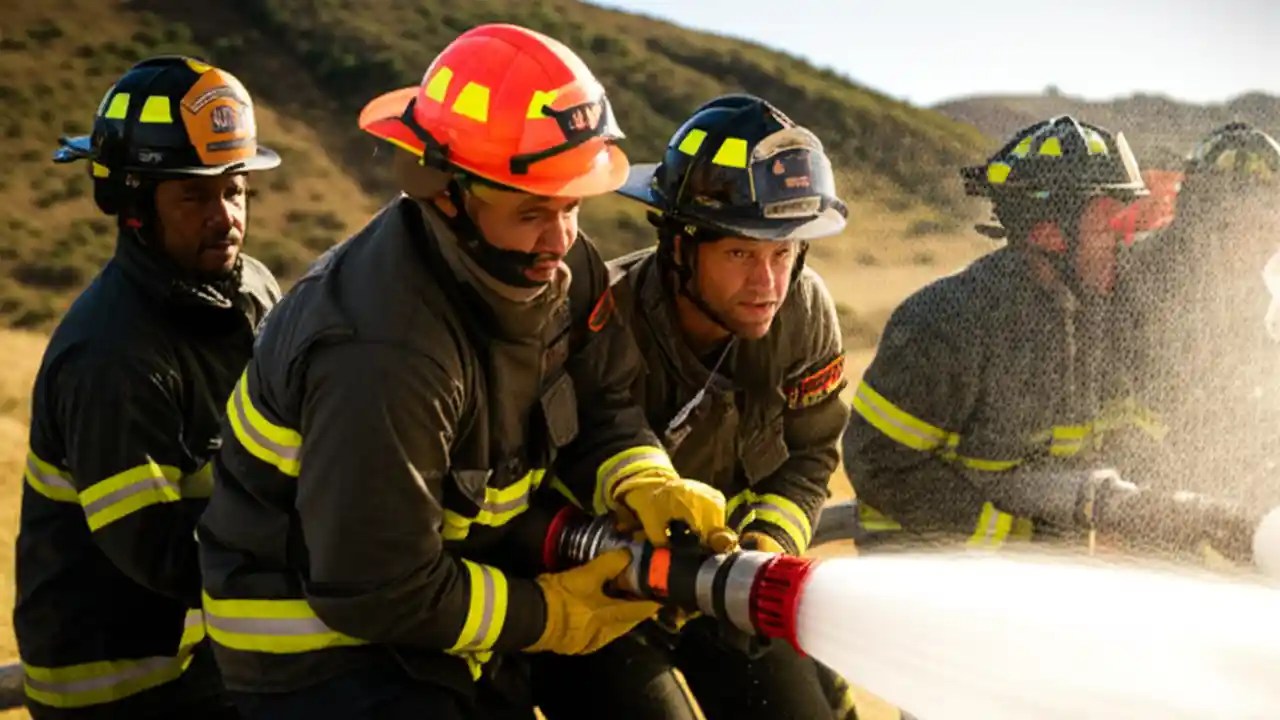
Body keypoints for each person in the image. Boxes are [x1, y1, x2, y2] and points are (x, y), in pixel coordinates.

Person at [195, 23, 733, 720]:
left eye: (572, 205)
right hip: (318, 655)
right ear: (446, 192)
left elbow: (605, 409)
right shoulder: (380, 347)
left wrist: (645, 480)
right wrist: (553, 614)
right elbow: (376, 587)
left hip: (451, 606)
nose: (561, 240)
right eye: (532, 211)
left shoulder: (563, 271)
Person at [534, 93, 866, 720]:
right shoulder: (599, 320)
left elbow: (811, 452)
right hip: (604, 593)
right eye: (740, 253)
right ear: (680, 246)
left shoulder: (804, 310)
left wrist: (767, 542)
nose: (767, 284)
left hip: (730, 580)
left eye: (783, 253)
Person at [842, 115, 1256, 564]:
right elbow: (881, 464)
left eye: (1124, 229)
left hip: (1037, 569)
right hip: (924, 571)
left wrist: (1182, 514)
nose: (1121, 248)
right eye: (1105, 230)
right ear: (1047, 233)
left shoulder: (1099, 314)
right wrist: (1016, 541)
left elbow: (1122, 434)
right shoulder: (947, 322)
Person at [14, 55, 283, 719]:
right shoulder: (111, 354)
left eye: (235, 188)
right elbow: (160, 553)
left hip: (202, 658)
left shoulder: (251, 290)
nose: (225, 216)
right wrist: (323, 545)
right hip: (115, 689)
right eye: (195, 196)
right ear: (134, 205)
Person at [1123, 122, 1280, 520]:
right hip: (1136, 496)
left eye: (1270, 223)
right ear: (1203, 211)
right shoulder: (1139, 277)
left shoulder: (1255, 291)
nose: (1263, 237)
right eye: (1251, 221)